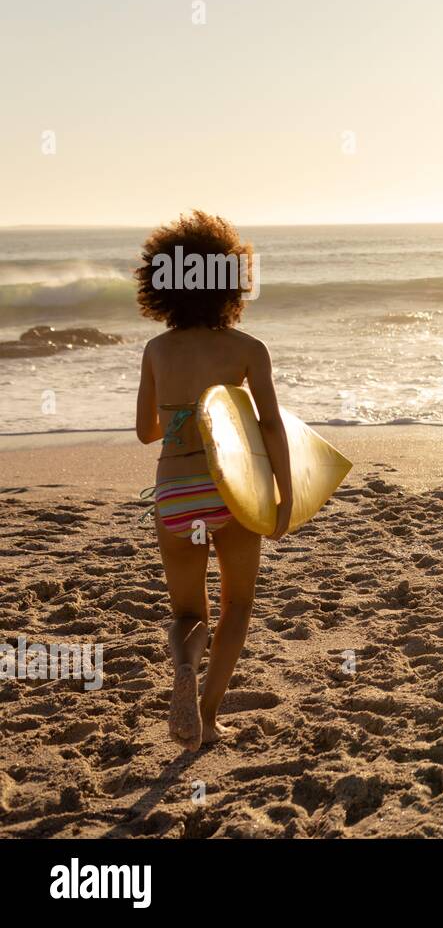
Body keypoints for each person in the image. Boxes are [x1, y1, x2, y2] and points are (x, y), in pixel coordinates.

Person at [133, 211, 292, 749]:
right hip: (231, 492)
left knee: (186, 612)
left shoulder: (157, 350)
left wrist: (182, 416)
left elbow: (144, 432)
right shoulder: (248, 349)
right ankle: (207, 712)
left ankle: (183, 662)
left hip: (175, 494)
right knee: (238, 604)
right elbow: (270, 424)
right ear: (232, 280)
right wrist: (285, 495)